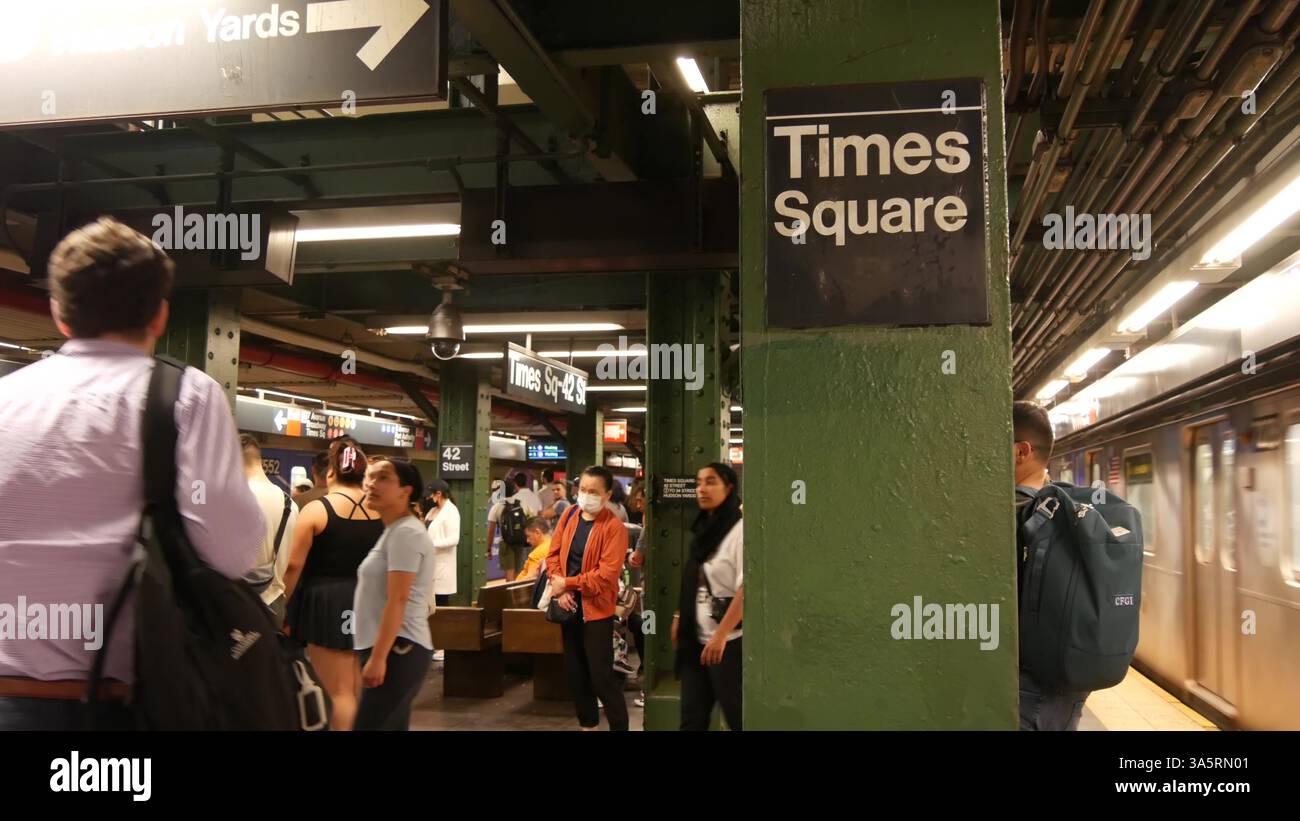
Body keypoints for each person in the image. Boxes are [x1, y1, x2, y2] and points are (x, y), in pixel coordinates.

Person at [0, 217, 265, 731]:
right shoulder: (185, 396)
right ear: (160, 315)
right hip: (132, 706)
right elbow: (233, 553)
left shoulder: (5, 399)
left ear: (59, 313)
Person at [282, 437, 383, 731]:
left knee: (338, 693)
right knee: (357, 690)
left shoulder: (316, 510)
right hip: (370, 602)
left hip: (327, 603)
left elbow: (293, 566)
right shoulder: (381, 511)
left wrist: (281, 606)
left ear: (330, 473)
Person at [1013, 400, 1089, 731]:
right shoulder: (1070, 508)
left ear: (1021, 451)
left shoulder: (1017, 514)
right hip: (1071, 683)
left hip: (1027, 685)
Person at [352, 457, 436, 731]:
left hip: (399, 648)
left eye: (384, 478)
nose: (372, 484)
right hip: (392, 647)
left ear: (406, 490)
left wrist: (378, 658)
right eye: (370, 477)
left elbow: (397, 598)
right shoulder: (393, 531)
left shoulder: (406, 533)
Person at [545, 466, 630, 731]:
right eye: (582, 489)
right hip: (567, 606)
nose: (586, 495)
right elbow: (553, 555)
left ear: (606, 496)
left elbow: (605, 577)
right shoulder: (570, 515)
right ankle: (588, 725)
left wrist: (568, 583)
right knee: (576, 674)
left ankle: (619, 726)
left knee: (601, 676)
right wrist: (561, 590)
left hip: (597, 611)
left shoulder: (614, 528)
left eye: (593, 491)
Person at [674, 462, 743, 731]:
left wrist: (721, 635)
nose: (702, 489)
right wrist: (680, 616)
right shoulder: (702, 530)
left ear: (729, 488)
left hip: (728, 644)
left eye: (711, 481)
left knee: (737, 717)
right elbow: (694, 579)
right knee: (691, 720)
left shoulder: (739, 531)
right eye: (699, 483)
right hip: (695, 641)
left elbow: (745, 589)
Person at [240, 434, 297, 624]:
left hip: (239, 602)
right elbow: (292, 564)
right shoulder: (290, 505)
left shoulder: (234, 499)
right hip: (275, 603)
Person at [487, 473, 540, 580]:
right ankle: (517, 593)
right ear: (513, 490)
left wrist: (488, 548)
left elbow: (491, 530)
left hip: (505, 542)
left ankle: (509, 593)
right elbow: (529, 520)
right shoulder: (520, 504)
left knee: (509, 571)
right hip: (520, 540)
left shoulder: (497, 506)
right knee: (519, 570)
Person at [422, 479, 460, 608]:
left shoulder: (451, 511)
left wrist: (431, 544)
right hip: (429, 565)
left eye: (430, 494)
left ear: (438, 494)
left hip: (442, 565)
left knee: (440, 603)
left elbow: (454, 539)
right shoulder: (433, 511)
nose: (428, 497)